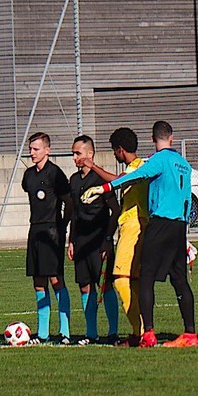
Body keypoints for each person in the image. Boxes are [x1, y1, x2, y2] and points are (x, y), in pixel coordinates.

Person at [81, 120, 198, 347]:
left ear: (154, 140)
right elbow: (186, 197)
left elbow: (133, 177)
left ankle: (147, 333)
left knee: (144, 278)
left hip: (158, 222)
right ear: (171, 138)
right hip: (179, 225)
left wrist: (103, 188)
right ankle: (190, 333)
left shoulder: (158, 160)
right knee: (179, 279)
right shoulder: (184, 163)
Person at [78, 127, 149, 346]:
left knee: (119, 279)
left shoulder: (138, 167)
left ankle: (139, 332)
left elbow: (119, 180)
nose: (113, 155)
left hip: (134, 227)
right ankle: (144, 332)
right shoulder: (135, 167)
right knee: (134, 282)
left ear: (120, 149)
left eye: (113, 151)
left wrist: (94, 167)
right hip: (134, 228)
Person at [67, 135, 120, 344]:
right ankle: (91, 333)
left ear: (90, 154)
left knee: (105, 285)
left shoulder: (100, 179)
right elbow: (74, 213)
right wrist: (71, 240)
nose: (74, 157)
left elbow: (114, 211)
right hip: (80, 241)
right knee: (84, 286)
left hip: (99, 241)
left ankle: (113, 332)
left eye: (78, 153)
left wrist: (108, 238)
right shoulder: (73, 180)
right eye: (73, 153)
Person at [22, 132, 73, 344]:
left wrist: (62, 226)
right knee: (38, 281)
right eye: (31, 149)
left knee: (55, 278)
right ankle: (42, 333)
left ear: (47, 150)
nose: (32, 153)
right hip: (35, 231)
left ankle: (65, 332)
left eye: (36, 149)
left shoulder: (56, 174)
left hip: (53, 231)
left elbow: (69, 203)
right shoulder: (29, 176)